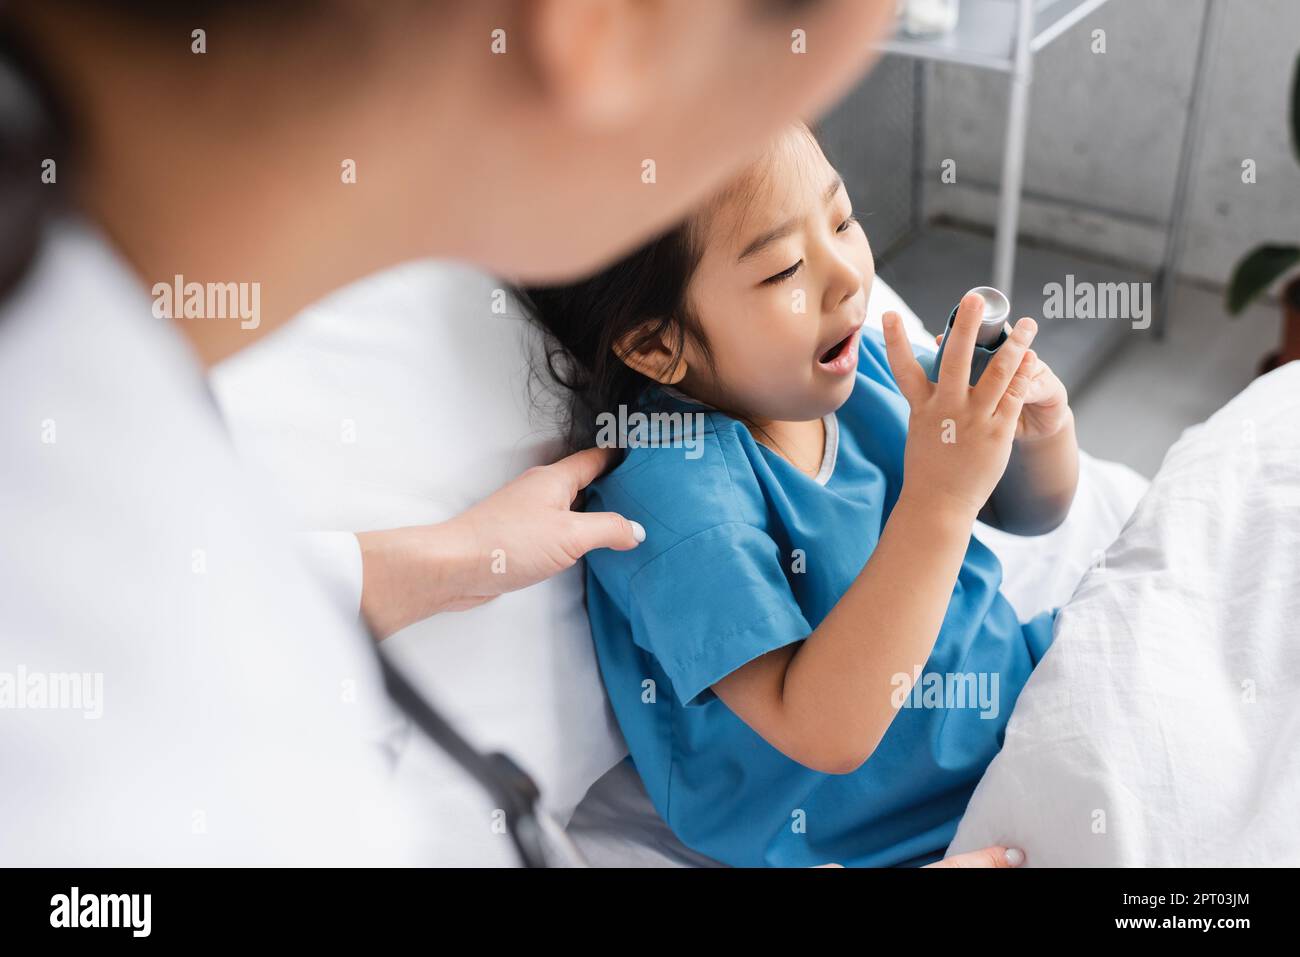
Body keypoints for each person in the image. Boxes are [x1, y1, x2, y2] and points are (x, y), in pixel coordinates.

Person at [0, 0, 1018, 866]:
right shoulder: (95, 744)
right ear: (612, 26)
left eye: (836, 220)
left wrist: (448, 561)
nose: (847, 270)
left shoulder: (89, 405)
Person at [518, 124, 1078, 865]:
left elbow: (1029, 512)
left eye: (842, 220)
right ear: (657, 345)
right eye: (785, 268)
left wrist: (1038, 431)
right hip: (884, 824)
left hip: (1014, 694)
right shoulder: (673, 500)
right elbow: (824, 730)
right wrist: (939, 503)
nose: (849, 274)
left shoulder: (867, 371)